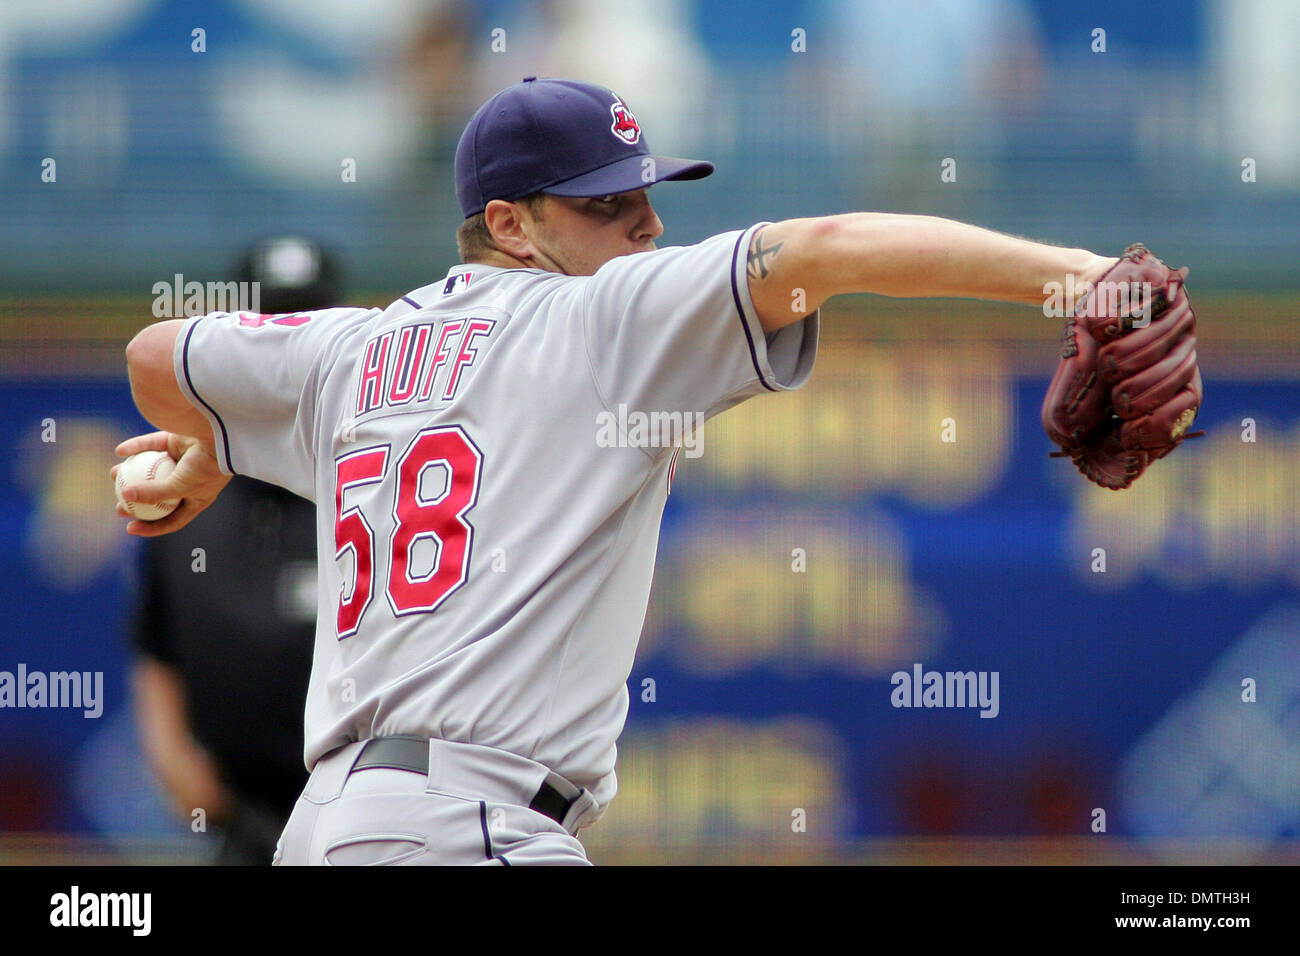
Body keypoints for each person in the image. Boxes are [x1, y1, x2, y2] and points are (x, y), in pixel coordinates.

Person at [115, 77, 1122, 865]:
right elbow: (831, 245)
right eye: (606, 204)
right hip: (470, 823)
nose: (644, 225)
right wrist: (1087, 279)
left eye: (644, 196)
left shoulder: (351, 352)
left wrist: (213, 449)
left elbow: (155, 355)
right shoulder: (602, 316)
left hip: (326, 828)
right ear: (511, 224)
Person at [129, 237, 342, 865]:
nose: (281, 351)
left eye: (301, 324)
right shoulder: (187, 489)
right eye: (268, 325)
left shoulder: (364, 476)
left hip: (354, 816)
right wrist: (174, 761)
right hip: (238, 820)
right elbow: (155, 646)